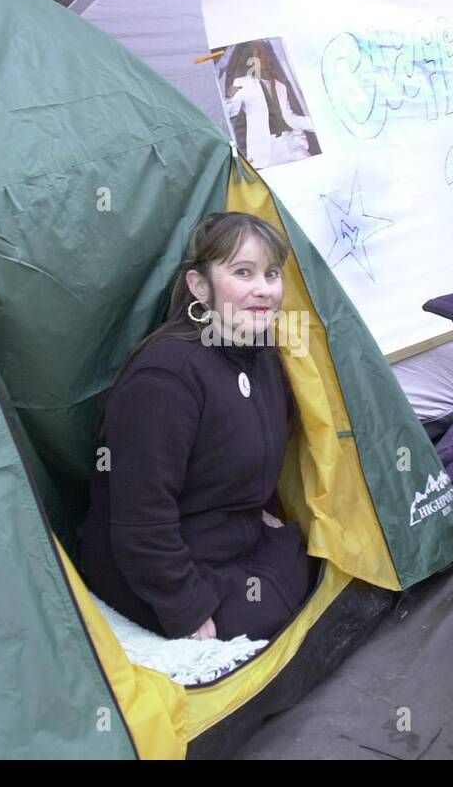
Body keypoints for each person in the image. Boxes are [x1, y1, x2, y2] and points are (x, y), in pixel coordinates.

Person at [80, 212, 315, 642]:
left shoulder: (260, 353)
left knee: (311, 566)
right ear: (199, 286)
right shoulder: (166, 377)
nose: (263, 289)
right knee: (268, 615)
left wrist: (253, 510)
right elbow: (139, 515)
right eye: (243, 273)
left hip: (228, 540)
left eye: (272, 273)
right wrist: (183, 606)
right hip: (155, 565)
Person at [223, 41, 319, 169]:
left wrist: (318, 123)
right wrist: (229, 97)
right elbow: (231, 114)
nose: (264, 57)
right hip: (266, 152)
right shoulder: (242, 83)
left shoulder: (280, 86)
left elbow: (289, 118)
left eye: (265, 53)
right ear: (250, 58)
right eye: (259, 54)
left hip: (293, 144)